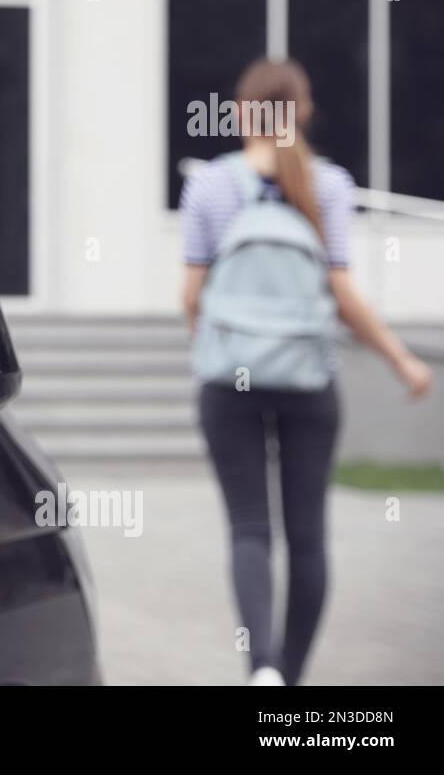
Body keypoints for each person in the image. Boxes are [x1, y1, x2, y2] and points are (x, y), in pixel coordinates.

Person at [179, 57, 432, 685]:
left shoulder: (210, 185)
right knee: (309, 537)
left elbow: (190, 295)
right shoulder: (330, 186)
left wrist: (215, 346)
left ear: (240, 113)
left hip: (228, 383)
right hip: (308, 381)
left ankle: (259, 666)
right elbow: (342, 297)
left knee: (248, 528)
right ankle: (289, 682)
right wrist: (401, 359)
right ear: (303, 112)